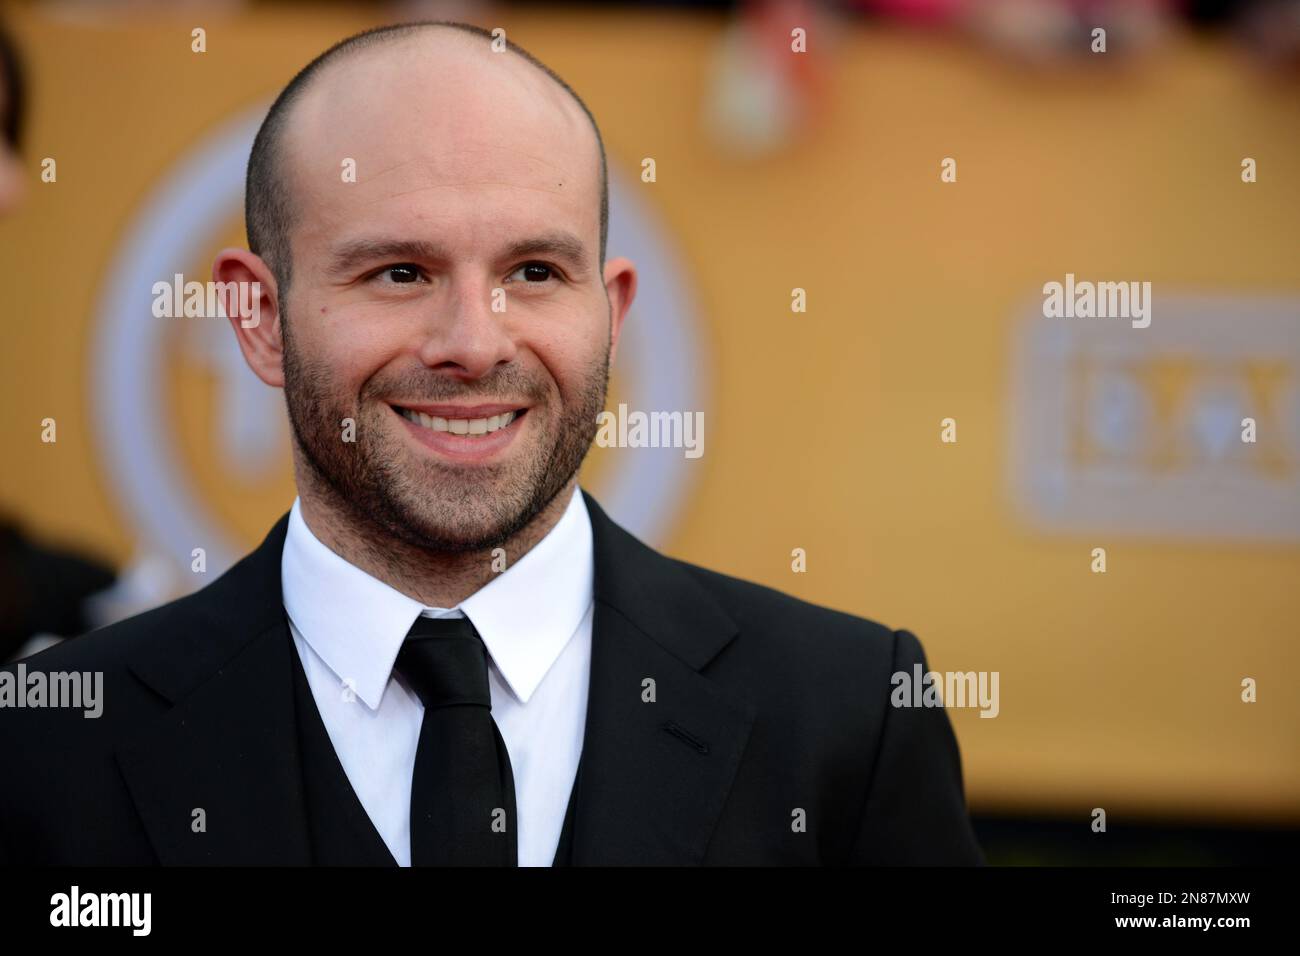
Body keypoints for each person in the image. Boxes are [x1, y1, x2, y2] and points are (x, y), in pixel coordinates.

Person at [0, 21, 983, 866]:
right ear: (258, 315)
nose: (473, 342)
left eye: (535, 270)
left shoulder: (845, 720)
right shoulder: (49, 746)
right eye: (397, 272)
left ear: (612, 309)